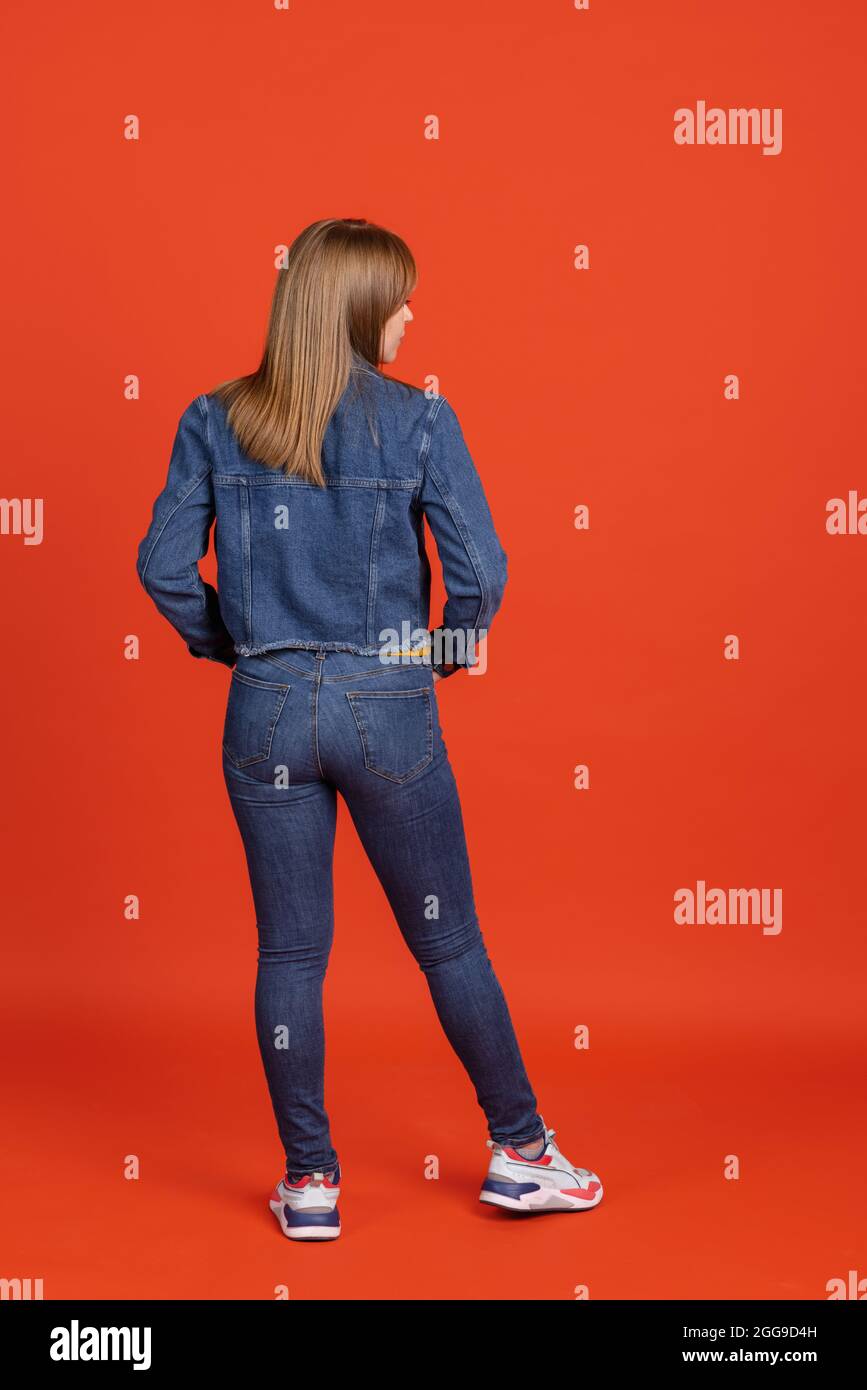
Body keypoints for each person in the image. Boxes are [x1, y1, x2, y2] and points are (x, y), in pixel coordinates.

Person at [135, 217, 603, 1241]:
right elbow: (482, 571)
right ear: (356, 306)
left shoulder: (214, 418)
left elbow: (165, 569)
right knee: (449, 940)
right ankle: (523, 1154)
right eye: (398, 297)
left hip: (264, 712)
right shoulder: (420, 420)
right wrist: (442, 649)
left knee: (291, 952)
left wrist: (242, 647)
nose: (409, 314)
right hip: (385, 699)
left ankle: (310, 1184)